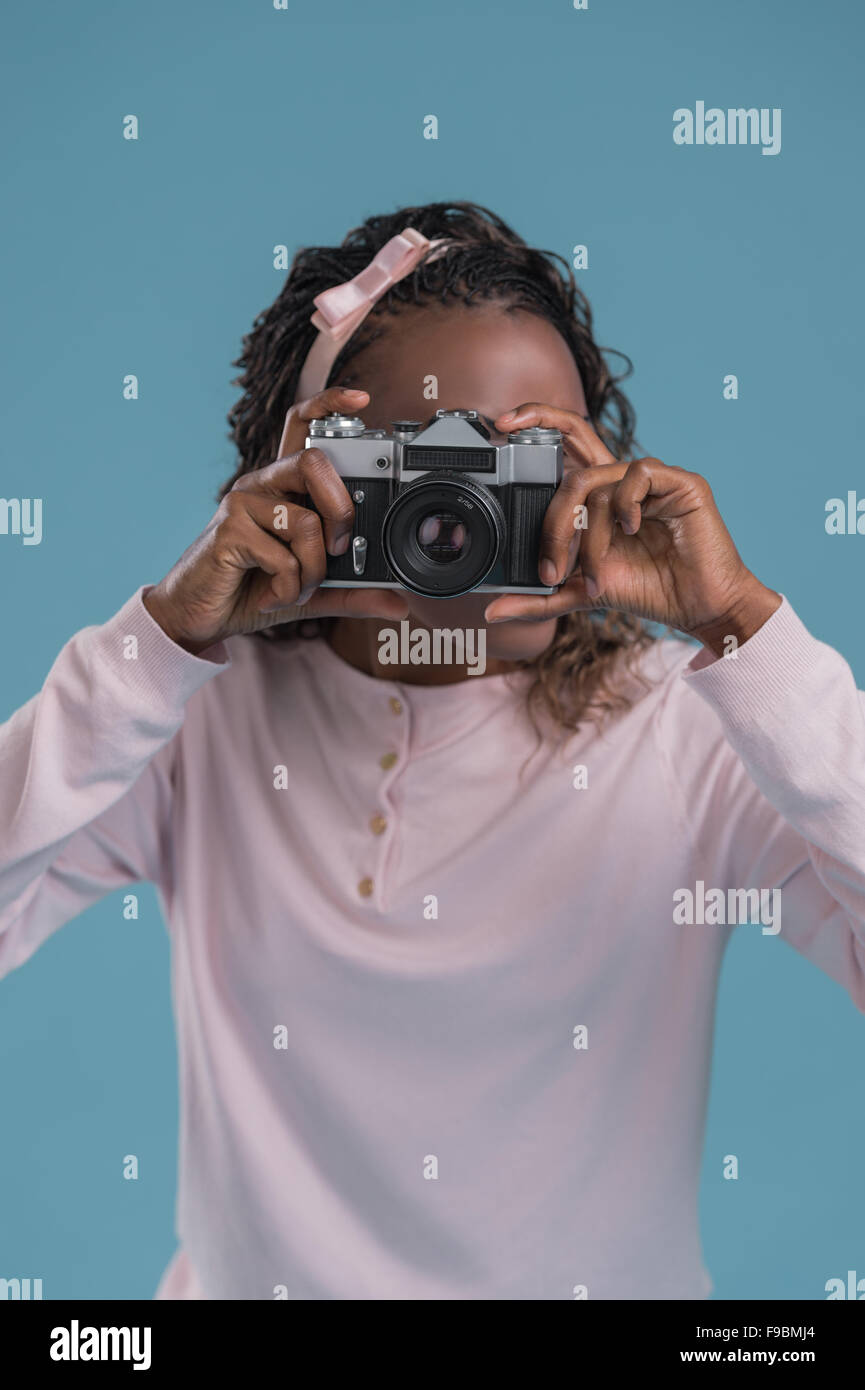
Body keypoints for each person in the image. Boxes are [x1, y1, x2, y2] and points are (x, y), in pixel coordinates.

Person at [1, 201, 863, 1301]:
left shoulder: (686, 732)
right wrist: (161, 642)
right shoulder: (197, 719)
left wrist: (741, 625)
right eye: (420, 466)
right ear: (308, 473)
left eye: (527, 456)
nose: (458, 514)